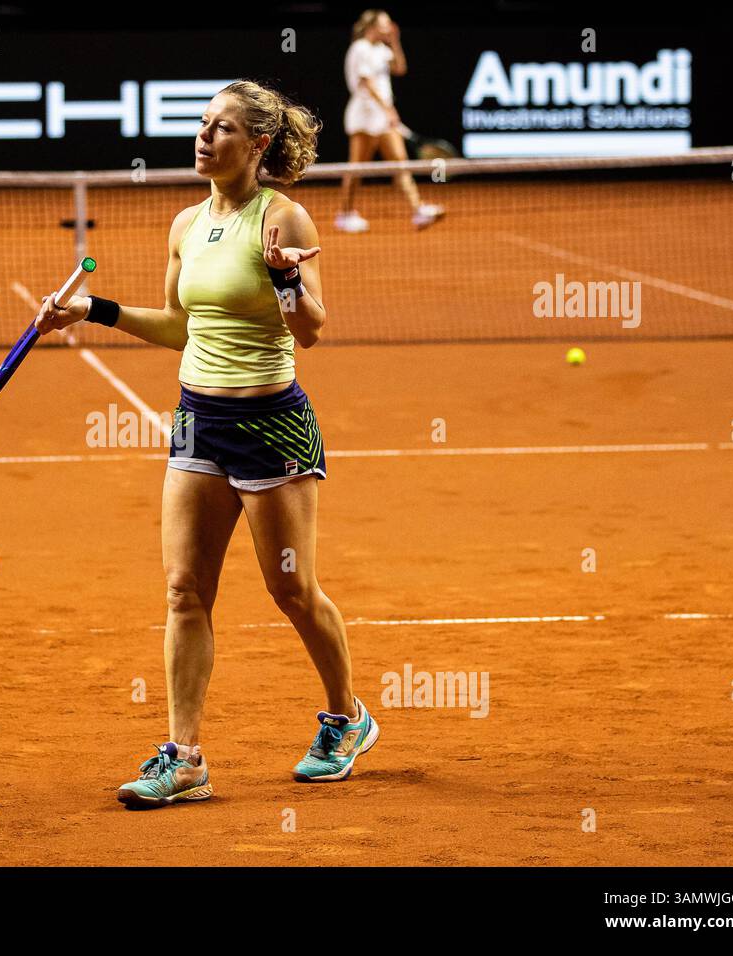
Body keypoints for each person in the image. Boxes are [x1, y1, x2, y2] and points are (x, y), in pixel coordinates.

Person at [34, 79, 379, 810]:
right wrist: (89, 310)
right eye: (201, 124)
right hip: (198, 423)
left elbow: (310, 330)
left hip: (272, 428)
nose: (203, 138)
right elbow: (178, 328)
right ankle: (185, 758)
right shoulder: (186, 224)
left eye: (221, 129)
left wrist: (287, 282)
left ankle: (347, 718)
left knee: (290, 590)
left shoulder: (280, 217)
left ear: (257, 146)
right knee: (184, 591)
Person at [337, 9, 444, 232]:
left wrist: (395, 40)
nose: (388, 27)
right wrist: (389, 109)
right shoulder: (360, 48)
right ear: (372, 26)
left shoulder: (382, 49)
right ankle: (344, 214)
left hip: (383, 116)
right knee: (357, 167)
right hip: (365, 115)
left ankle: (418, 210)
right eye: (385, 24)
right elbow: (366, 83)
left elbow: (400, 68)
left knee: (400, 162)